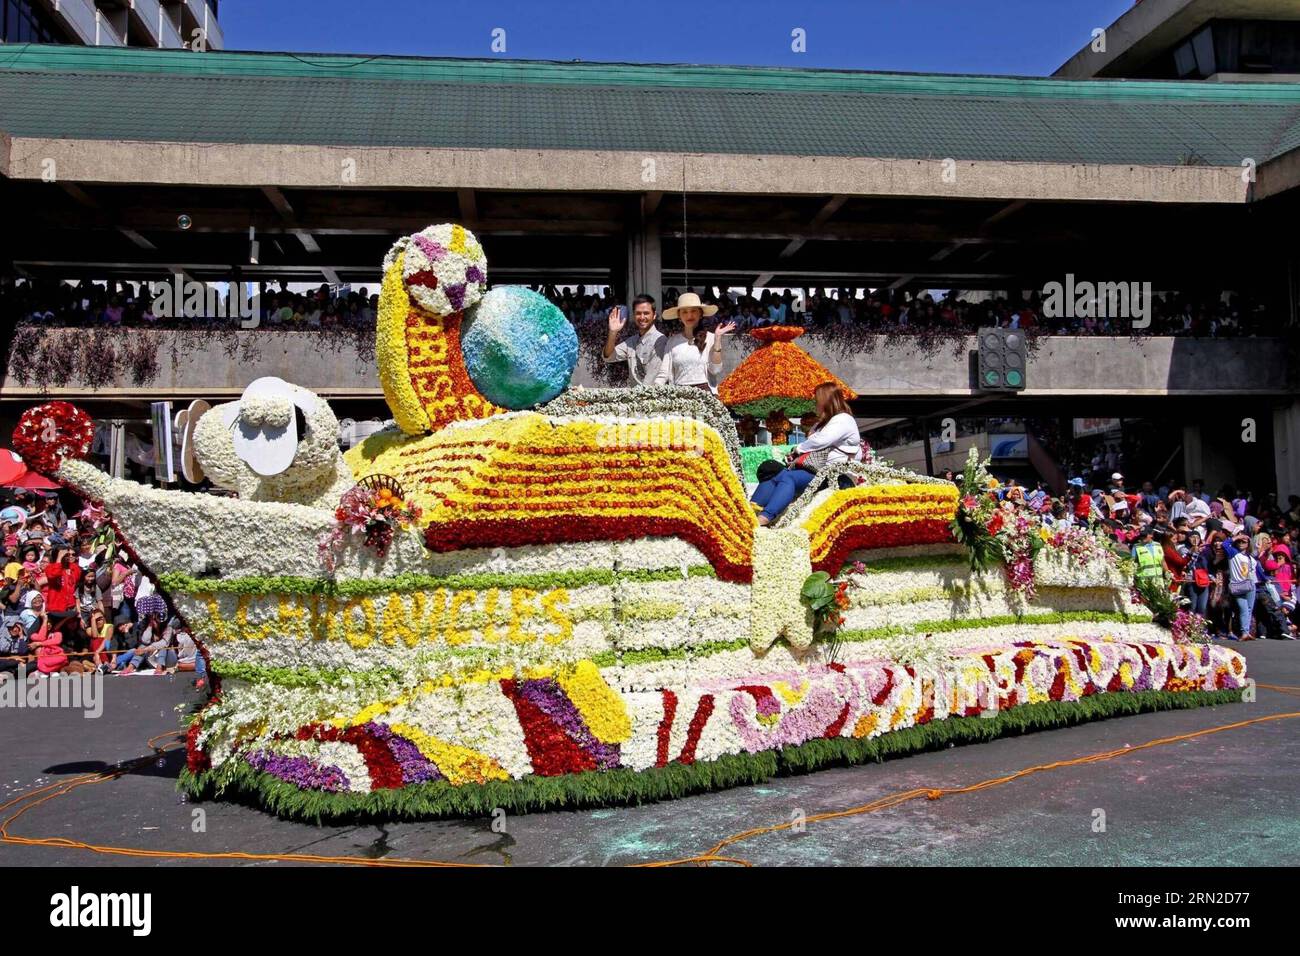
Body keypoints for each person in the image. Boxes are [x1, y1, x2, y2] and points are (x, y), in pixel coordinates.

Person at [750, 381, 863, 526]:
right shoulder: (822, 423)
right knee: (772, 473)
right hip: (815, 473)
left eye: (817, 400)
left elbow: (821, 440)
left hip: (837, 478)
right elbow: (814, 439)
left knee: (788, 477)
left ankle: (766, 516)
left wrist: (799, 449)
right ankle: (750, 511)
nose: (815, 404)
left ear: (825, 401)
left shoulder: (843, 419)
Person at [654, 293, 735, 392]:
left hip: (705, 394)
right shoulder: (672, 341)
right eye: (684, 312)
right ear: (679, 316)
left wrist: (717, 340)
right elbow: (663, 373)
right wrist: (651, 392)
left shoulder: (710, 338)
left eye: (693, 311)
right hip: (679, 395)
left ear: (700, 314)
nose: (689, 315)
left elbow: (715, 370)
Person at [603, 295, 669, 387]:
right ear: (634, 315)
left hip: (651, 397)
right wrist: (613, 332)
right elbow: (608, 356)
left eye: (646, 313)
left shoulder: (660, 341)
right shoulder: (632, 341)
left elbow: (650, 382)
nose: (642, 317)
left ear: (654, 315)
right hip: (636, 396)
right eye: (638, 313)